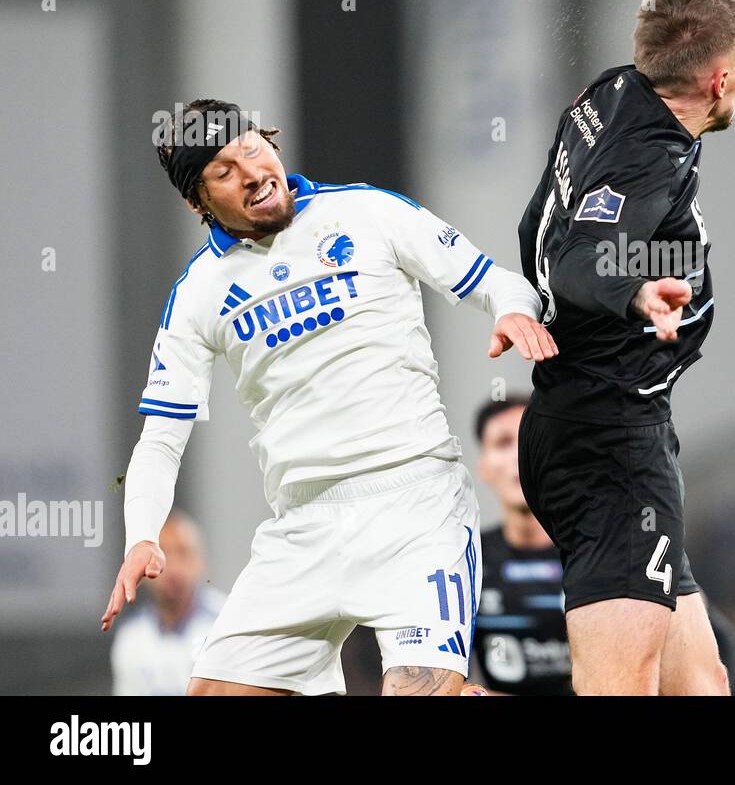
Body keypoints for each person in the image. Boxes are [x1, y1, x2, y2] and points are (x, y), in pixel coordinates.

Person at [100, 100, 556, 696]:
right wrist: (141, 536)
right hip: (302, 527)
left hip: (415, 508)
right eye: (223, 170)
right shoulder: (197, 295)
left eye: (253, 149)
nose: (251, 171)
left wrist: (514, 312)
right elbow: (161, 438)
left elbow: (496, 280)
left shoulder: (368, 212)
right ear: (198, 202)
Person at [517, 0, 735, 694]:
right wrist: (635, 289)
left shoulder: (612, 94)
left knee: (701, 682)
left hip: (610, 425)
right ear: (720, 78)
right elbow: (576, 258)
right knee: (622, 685)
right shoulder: (649, 152)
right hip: (611, 444)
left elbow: (538, 231)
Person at [470, 396, 735, 695]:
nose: (516, 456)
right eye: (502, 443)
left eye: (525, 439)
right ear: (484, 467)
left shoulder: (617, 547)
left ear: (547, 454)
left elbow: (720, 651)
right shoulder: (470, 561)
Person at [110, 511, 226, 695]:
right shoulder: (131, 638)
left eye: (183, 553)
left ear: (201, 561)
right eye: (162, 555)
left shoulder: (228, 625)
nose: (172, 567)